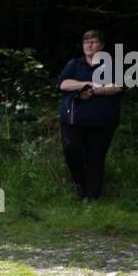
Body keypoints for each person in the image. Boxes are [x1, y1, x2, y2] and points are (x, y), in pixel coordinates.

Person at [57, 29, 122, 199]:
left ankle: (92, 197)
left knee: (96, 157)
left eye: (93, 42)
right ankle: (80, 186)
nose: (89, 45)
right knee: (71, 151)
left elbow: (117, 86)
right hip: (74, 120)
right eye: (86, 42)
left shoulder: (112, 65)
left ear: (101, 45)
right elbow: (63, 84)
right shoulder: (74, 64)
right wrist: (87, 83)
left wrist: (94, 91)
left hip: (102, 121)